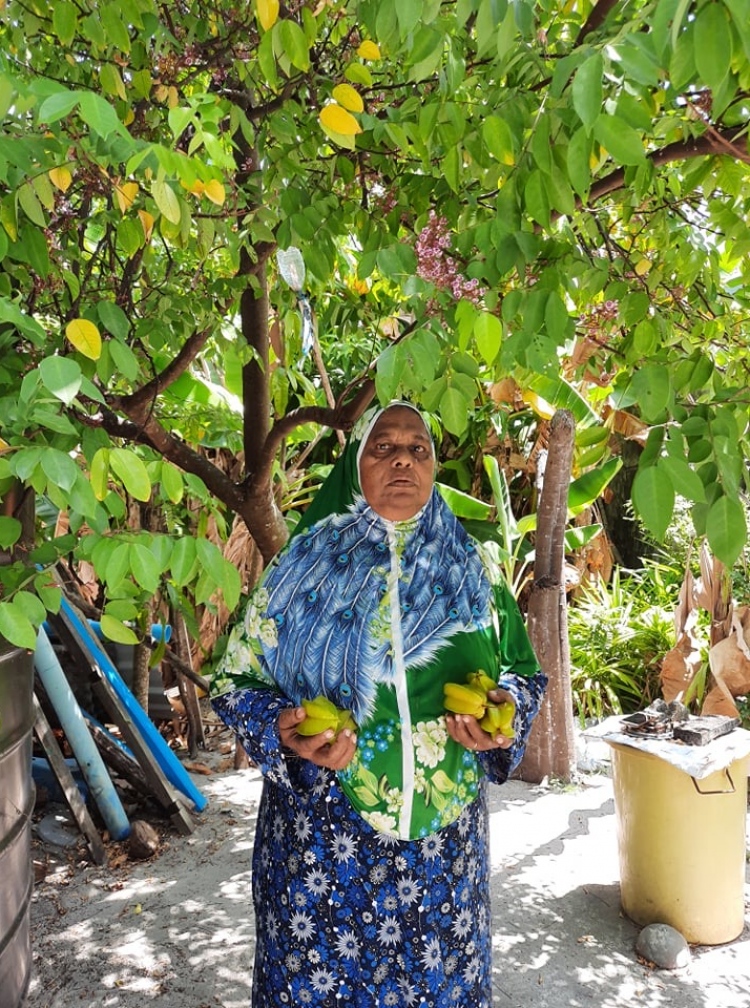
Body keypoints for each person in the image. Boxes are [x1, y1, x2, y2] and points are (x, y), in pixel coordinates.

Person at [211, 401, 547, 1008]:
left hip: (444, 856)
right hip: (323, 846)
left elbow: (523, 673)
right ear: (355, 464)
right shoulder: (302, 568)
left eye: (418, 448)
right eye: (382, 446)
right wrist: (280, 730)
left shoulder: (477, 568)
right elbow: (234, 681)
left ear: (434, 467)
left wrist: (507, 719)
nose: (401, 459)